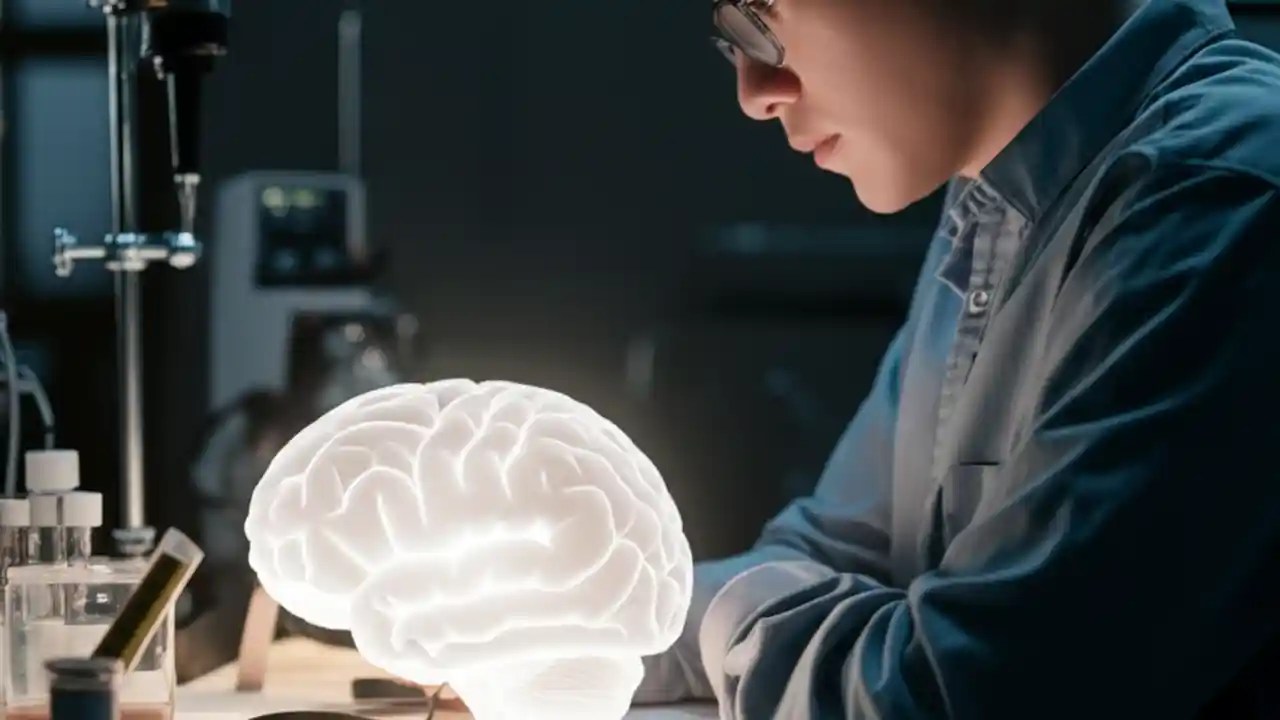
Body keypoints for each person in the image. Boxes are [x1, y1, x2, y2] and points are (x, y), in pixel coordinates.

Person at [634, 0, 1280, 717]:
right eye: (731, 42)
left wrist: (731, 610)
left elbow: (975, 696)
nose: (755, 92)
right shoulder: (991, 206)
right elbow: (838, 554)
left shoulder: (1222, 196)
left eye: (760, 15)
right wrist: (547, 628)